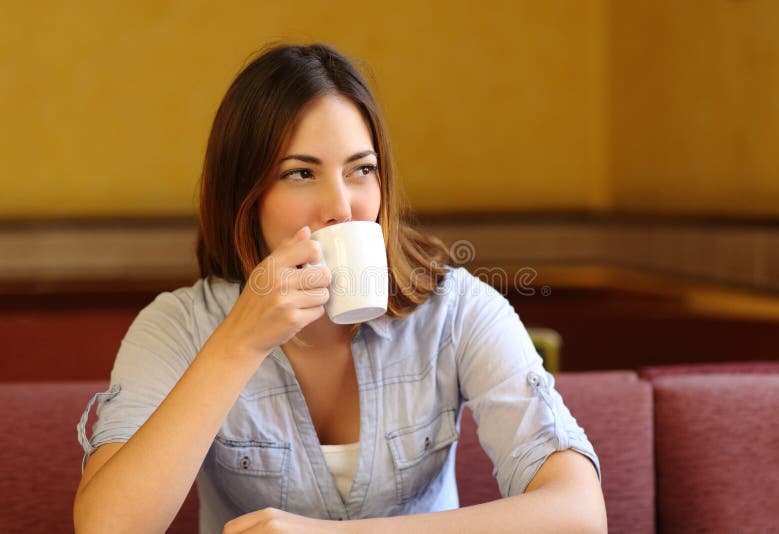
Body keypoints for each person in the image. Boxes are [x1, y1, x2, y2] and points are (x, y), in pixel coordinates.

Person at [73, 43, 606, 534]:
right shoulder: (179, 325)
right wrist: (240, 340)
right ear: (245, 194)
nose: (342, 207)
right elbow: (107, 528)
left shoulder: (455, 309)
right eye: (301, 174)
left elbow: (580, 514)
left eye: (361, 170)